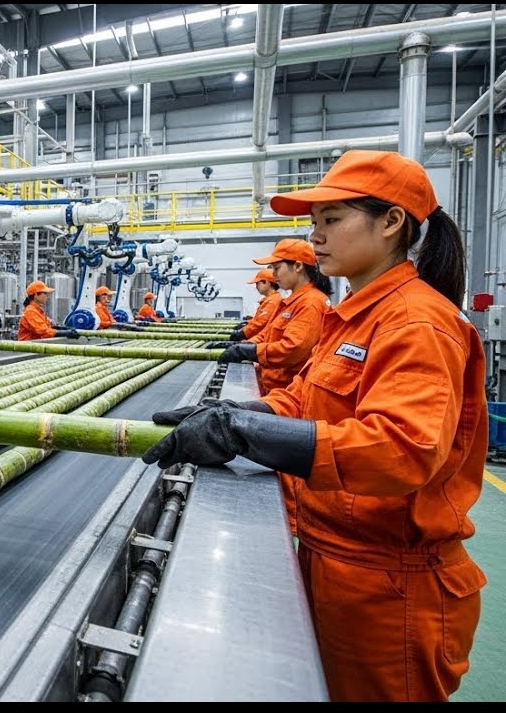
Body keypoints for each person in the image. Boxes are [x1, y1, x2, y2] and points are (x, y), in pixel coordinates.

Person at [142, 149, 486, 702]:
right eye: (313, 223)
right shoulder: (355, 315)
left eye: (332, 220)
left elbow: (404, 448)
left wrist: (244, 435)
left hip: (388, 587)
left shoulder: (418, 321)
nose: (317, 236)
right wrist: (238, 415)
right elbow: (303, 398)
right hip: (333, 557)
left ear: (392, 221)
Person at [207, 238, 331, 396]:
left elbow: (292, 349)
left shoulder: (310, 303)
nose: (273, 275)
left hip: (286, 393)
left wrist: (250, 351)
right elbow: (267, 334)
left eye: (277, 268)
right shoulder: (292, 301)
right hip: (272, 387)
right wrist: (242, 346)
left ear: (298, 266)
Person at [228, 268, 281, 342]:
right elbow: (258, 320)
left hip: (260, 342)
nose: (256, 287)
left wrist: (242, 333)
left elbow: (259, 324)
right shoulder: (269, 299)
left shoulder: (272, 301)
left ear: (266, 282)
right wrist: (247, 323)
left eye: (257, 283)